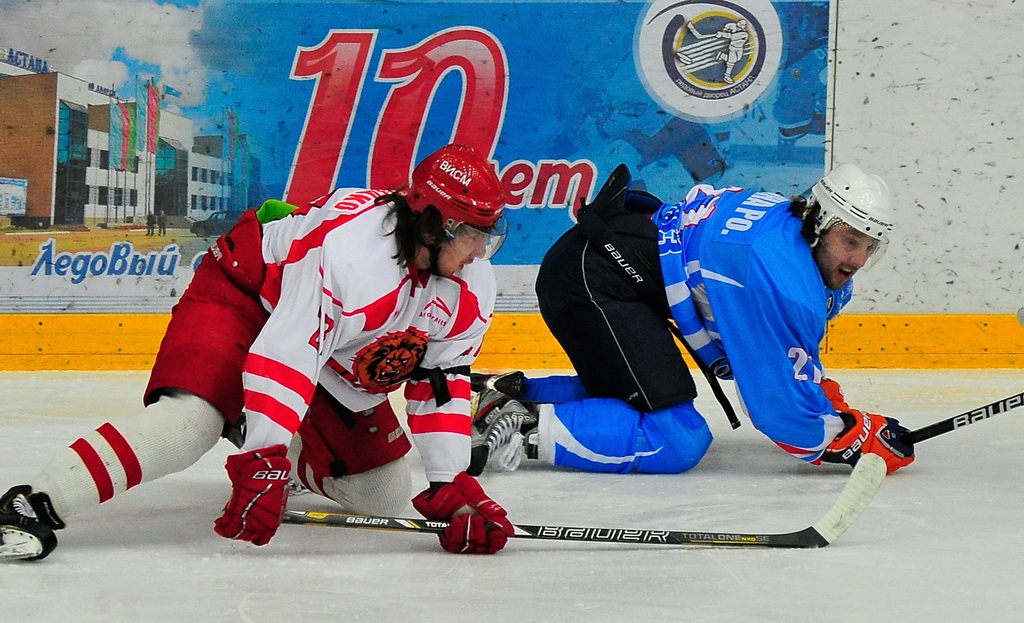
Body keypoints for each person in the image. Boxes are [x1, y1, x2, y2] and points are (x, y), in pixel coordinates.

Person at [0, 143, 515, 561]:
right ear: (428, 222)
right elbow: (286, 353)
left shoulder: (469, 284)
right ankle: (35, 501)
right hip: (247, 298)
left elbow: (440, 380)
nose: (478, 253)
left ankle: (269, 442)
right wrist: (262, 457)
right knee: (187, 427)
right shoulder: (351, 253)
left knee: (382, 493)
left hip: (328, 350)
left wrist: (451, 483)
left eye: (487, 237)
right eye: (470, 234)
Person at [469, 162, 915, 478]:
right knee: (676, 438)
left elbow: (791, 360)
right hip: (596, 276)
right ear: (818, 223)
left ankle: (505, 392)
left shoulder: (791, 235)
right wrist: (852, 437)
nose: (858, 259)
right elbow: (780, 413)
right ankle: (520, 420)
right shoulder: (777, 275)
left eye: (870, 246)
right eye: (850, 240)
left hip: (613, 261)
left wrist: (836, 410)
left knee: (641, 394)